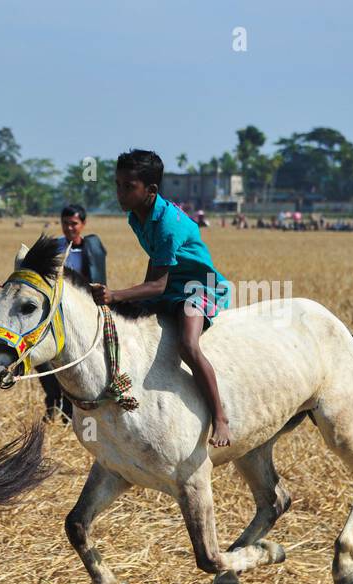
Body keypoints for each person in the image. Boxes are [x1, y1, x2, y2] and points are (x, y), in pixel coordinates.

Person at [90, 149, 234, 447]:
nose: (120, 193)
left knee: (187, 345)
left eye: (128, 187)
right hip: (170, 285)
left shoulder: (169, 225)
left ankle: (220, 417)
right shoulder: (136, 216)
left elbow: (157, 284)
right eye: (117, 184)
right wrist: (131, 299)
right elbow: (154, 266)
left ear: (151, 190)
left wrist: (116, 294)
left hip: (197, 287)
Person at [45, 204, 107, 422]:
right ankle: (53, 402)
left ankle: (74, 408)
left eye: (74, 223)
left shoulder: (91, 250)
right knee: (46, 358)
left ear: (83, 224)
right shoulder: (54, 249)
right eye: (65, 223)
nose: (69, 228)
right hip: (56, 311)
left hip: (81, 312)